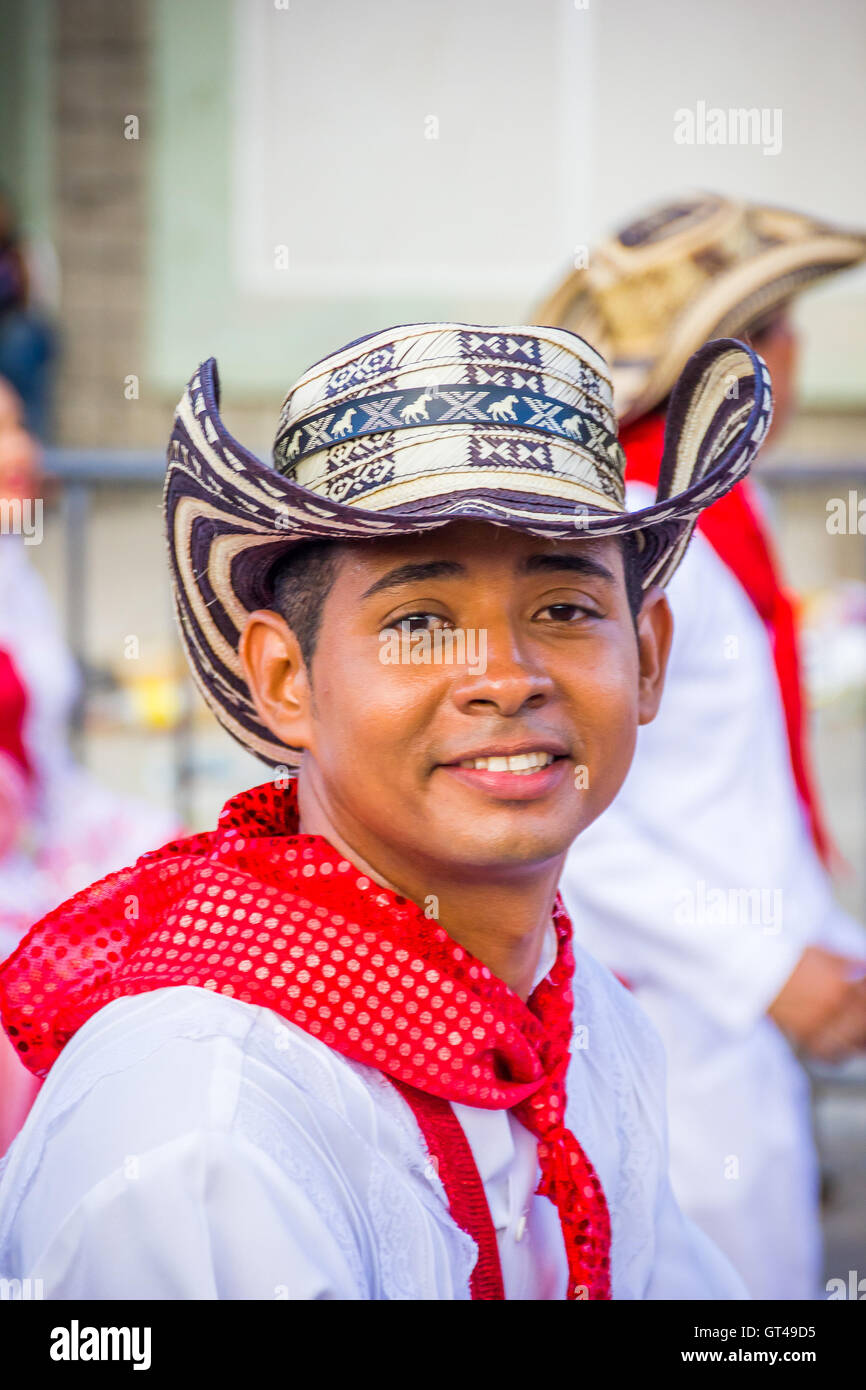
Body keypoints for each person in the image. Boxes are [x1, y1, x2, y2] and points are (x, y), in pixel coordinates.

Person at [0, 322, 771, 1300]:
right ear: (285, 678)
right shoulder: (207, 1141)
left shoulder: (579, 1019)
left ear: (647, 657)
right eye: (419, 621)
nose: (504, 678)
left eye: (564, 610)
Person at [534, 194, 866, 1299]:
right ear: (744, 360)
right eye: (775, 332)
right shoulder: (627, 529)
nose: (794, 355)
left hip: (730, 1007)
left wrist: (807, 933)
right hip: (666, 1014)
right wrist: (762, 967)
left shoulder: (718, 507)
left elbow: (731, 772)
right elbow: (554, 799)